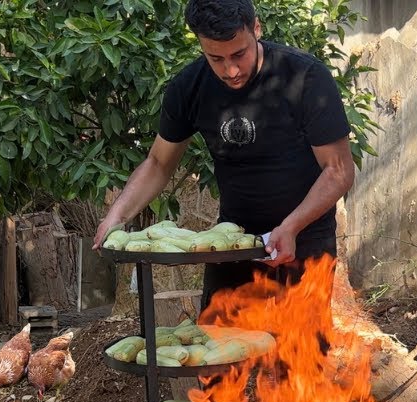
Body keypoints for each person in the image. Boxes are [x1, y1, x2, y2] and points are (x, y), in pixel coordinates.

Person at [91, 0, 356, 313]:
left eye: (239, 54)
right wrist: (117, 216)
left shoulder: (305, 78)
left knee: (298, 355)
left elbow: (338, 170)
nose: (230, 70)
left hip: (305, 236)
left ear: (256, 27)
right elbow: (159, 163)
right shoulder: (188, 87)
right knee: (219, 347)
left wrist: (292, 226)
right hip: (230, 241)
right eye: (215, 58)